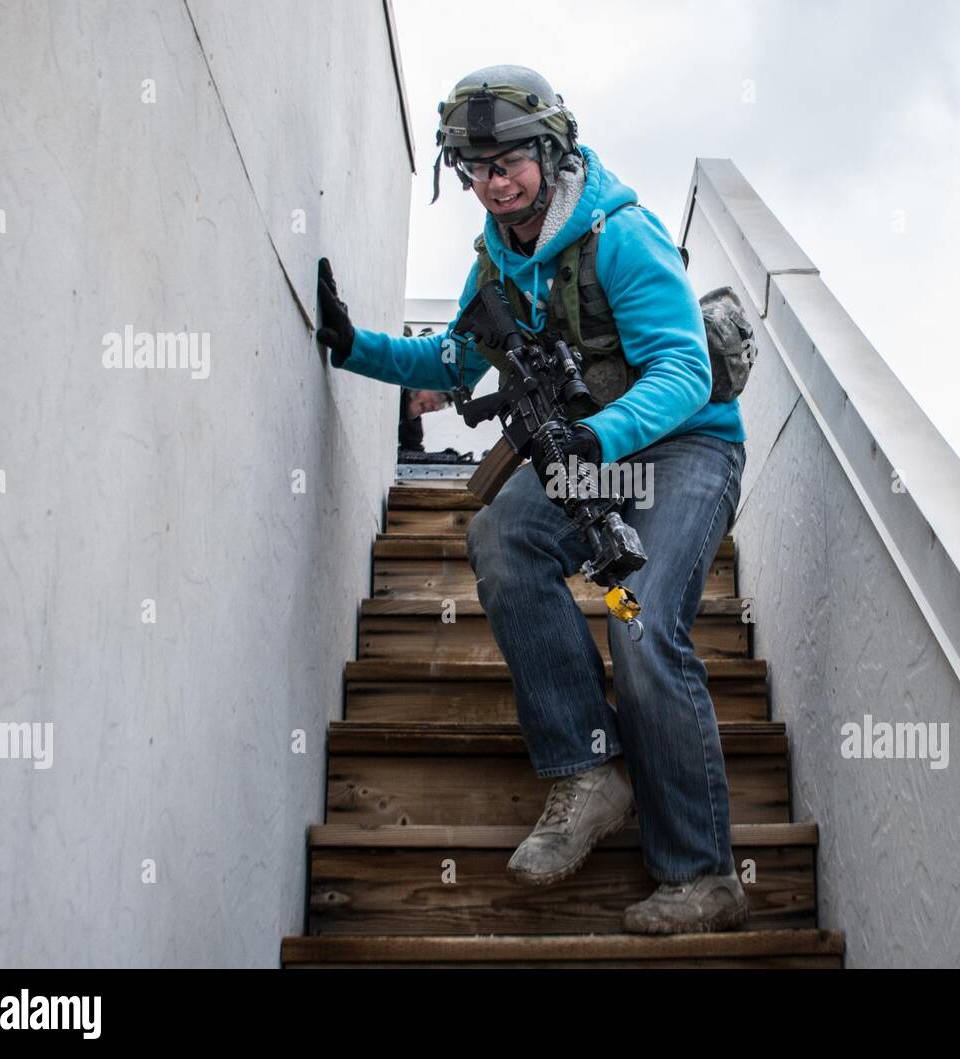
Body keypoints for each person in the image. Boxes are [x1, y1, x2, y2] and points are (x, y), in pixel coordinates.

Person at [315, 65, 748, 934]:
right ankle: (591, 769)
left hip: (690, 446)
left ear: (550, 152)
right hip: (593, 451)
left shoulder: (623, 236)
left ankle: (703, 874)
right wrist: (350, 343)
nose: (492, 180)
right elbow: (449, 364)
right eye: (473, 166)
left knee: (638, 619)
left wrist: (599, 439)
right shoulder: (497, 262)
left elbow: (684, 370)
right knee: (503, 536)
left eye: (508, 159)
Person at [398, 387, 450, 452]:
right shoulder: (389, 385)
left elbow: (412, 455)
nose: (436, 408)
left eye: (443, 405)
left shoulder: (412, 430)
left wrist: (444, 459)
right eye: (438, 397)